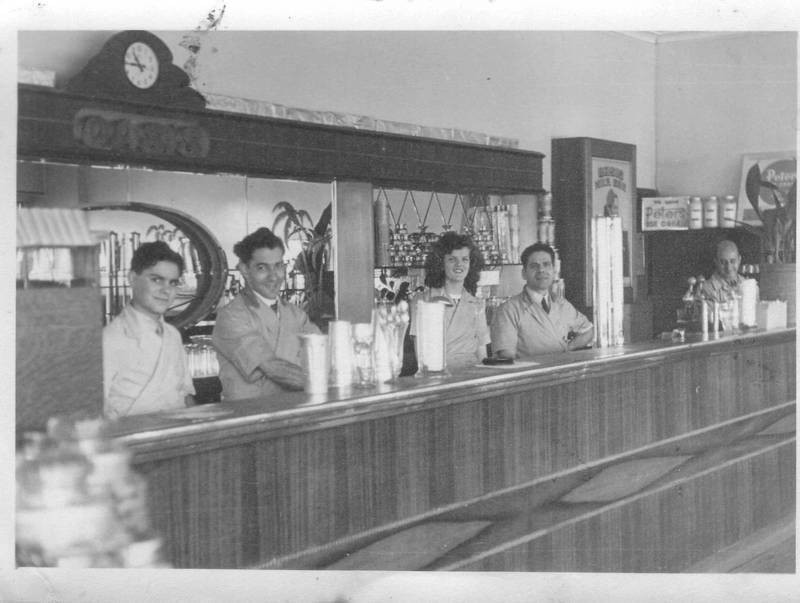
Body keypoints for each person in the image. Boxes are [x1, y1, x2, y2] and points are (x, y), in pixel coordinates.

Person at [212, 227, 320, 400]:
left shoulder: (296, 315)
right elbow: (271, 367)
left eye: (278, 266)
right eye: (262, 268)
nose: (273, 276)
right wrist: (323, 382)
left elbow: (321, 356)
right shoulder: (231, 316)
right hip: (248, 419)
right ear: (245, 270)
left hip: (294, 414)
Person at [103, 241, 195, 418]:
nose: (166, 291)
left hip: (175, 438)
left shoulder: (172, 335)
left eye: (173, 283)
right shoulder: (110, 339)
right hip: (130, 441)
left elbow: (185, 396)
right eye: (156, 279)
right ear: (132, 278)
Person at [491, 242, 593, 359]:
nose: (541, 270)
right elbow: (505, 356)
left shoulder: (562, 304)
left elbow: (588, 331)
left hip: (561, 372)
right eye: (534, 266)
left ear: (554, 270)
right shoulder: (508, 310)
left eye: (546, 264)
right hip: (530, 375)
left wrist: (567, 349)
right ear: (524, 273)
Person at [410, 231, 489, 369]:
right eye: (452, 259)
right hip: (439, 375)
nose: (459, 265)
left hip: (472, 375)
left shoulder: (477, 304)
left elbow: (482, 355)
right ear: (441, 263)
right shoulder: (423, 301)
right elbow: (421, 356)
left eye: (465, 259)